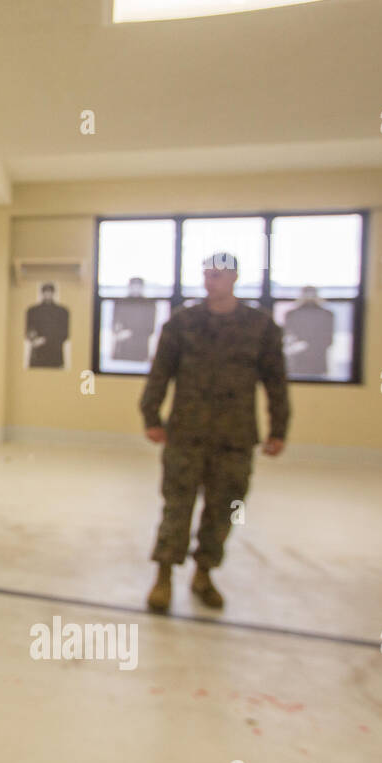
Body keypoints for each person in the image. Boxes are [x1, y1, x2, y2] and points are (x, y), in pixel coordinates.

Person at [140, 253, 290, 613]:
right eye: (207, 274)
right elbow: (160, 372)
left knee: (224, 509)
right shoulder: (183, 323)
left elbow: (275, 381)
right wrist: (151, 416)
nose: (211, 281)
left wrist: (278, 428)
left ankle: (204, 573)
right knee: (177, 504)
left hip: (234, 437)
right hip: (187, 432)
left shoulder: (260, 326)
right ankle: (164, 574)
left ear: (235, 277)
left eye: (218, 275)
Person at [283, 286, 335, 377]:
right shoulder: (291, 314)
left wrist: (308, 345)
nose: (309, 297)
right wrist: (295, 346)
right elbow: (288, 336)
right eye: (306, 293)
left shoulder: (327, 315)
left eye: (311, 294)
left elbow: (328, 340)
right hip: (297, 361)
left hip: (317, 362)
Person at [111, 276, 157, 363]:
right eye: (133, 285)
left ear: (142, 287)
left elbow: (150, 328)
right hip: (122, 349)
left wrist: (131, 333)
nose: (135, 288)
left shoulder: (150, 304)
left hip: (140, 350)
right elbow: (114, 323)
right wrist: (118, 333)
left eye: (138, 286)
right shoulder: (120, 302)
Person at [25, 283, 68, 368]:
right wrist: (34, 339)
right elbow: (28, 328)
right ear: (42, 293)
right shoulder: (33, 310)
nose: (47, 294)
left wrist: (46, 340)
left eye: (50, 292)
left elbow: (65, 333)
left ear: (53, 293)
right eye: (45, 292)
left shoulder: (62, 311)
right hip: (38, 353)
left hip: (55, 352)